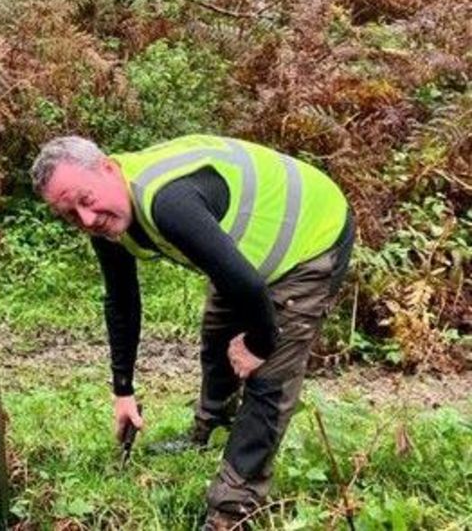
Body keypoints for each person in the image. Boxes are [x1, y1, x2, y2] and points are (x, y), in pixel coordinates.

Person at [30, 134, 354, 530]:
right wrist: (123, 390)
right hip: (243, 260)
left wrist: (259, 342)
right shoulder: (109, 220)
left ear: (109, 168)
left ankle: (231, 510)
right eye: (69, 215)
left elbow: (249, 289)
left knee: (269, 376)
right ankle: (211, 432)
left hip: (311, 234)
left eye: (85, 199)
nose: (85, 219)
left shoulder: (168, 202)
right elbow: (122, 302)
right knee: (218, 333)